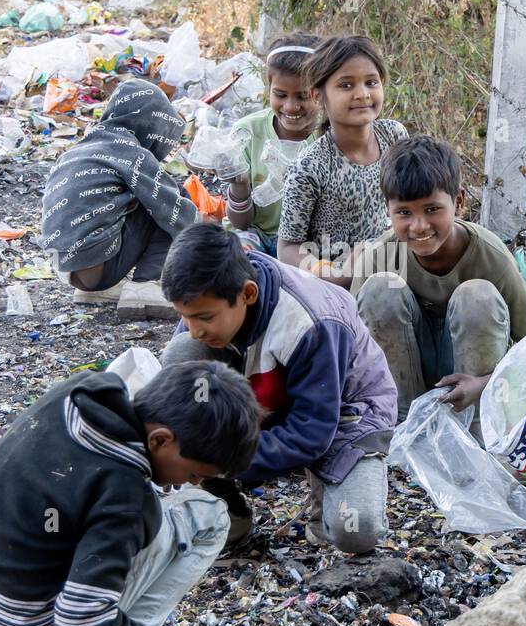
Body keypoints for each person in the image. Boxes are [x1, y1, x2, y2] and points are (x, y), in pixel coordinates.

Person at [0, 359, 261, 626]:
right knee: (212, 516)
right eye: (194, 474)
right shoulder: (125, 494)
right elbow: (81, 620)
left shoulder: (79, 393)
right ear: (159, 440)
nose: (192, 483)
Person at [158, 223, 396, 554]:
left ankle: (326, 488)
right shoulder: (213, 294)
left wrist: (220, 459)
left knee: (355, 529)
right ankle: (227, 510)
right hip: (270, 395)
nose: (195, 329)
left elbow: (311, 431)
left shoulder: (311, 322)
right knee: (182, 355)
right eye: (185, 317)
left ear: (248, 294)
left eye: (204, 318)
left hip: (343, 412)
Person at [349, 135, 526, 422]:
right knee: (378, 290)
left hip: (474, 393)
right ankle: (401, 424)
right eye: (404, 213)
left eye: (432, 209)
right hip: (405, 388)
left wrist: (483, 384)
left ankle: (473, 432)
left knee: (477, 297)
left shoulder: (490, 256)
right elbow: (348, 346)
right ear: (388, 210)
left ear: (458, 202)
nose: (419, 226)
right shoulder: (380, 256)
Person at [41, 78, 197, 315]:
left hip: (71, 271)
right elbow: (177, 212)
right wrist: (213, 239)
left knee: (141, 198)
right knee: (174, 199)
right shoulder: (132, 153)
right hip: (102, 264)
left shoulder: (77, 150)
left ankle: (94, 292)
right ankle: (148, 284)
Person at [276, 35, 408, 288]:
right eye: (346, 86)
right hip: (337, 287)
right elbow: (288, 247)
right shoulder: (310, 167)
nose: (362, 94)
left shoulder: (394, 136)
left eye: (371, 82)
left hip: (396, 267)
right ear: (317, 95)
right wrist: (333, 275)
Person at [224, 33, 323, 256]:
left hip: (306, 245)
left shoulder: (330, 139)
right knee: (237, 262)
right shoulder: (247, 132)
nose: (290, 106)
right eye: (280, 94)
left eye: (302, 96)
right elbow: (240, 223)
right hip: (254, 234)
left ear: (322, 92)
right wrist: (239, 186)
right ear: (269, 88)